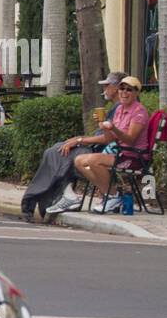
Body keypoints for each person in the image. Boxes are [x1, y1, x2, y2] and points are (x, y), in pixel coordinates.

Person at [62, 75, 149, 214]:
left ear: (136, 93)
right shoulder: (119, 109)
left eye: (129, 90)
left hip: (133, 156)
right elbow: (110, 140)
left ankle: (113, 197)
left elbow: (130, 140)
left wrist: (113, 128)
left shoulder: (139, 112)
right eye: (121, 88)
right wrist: (103, 125)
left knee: (93, 161)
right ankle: (112, 195)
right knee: (79, 161)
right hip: (119, 152)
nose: (124, 92)